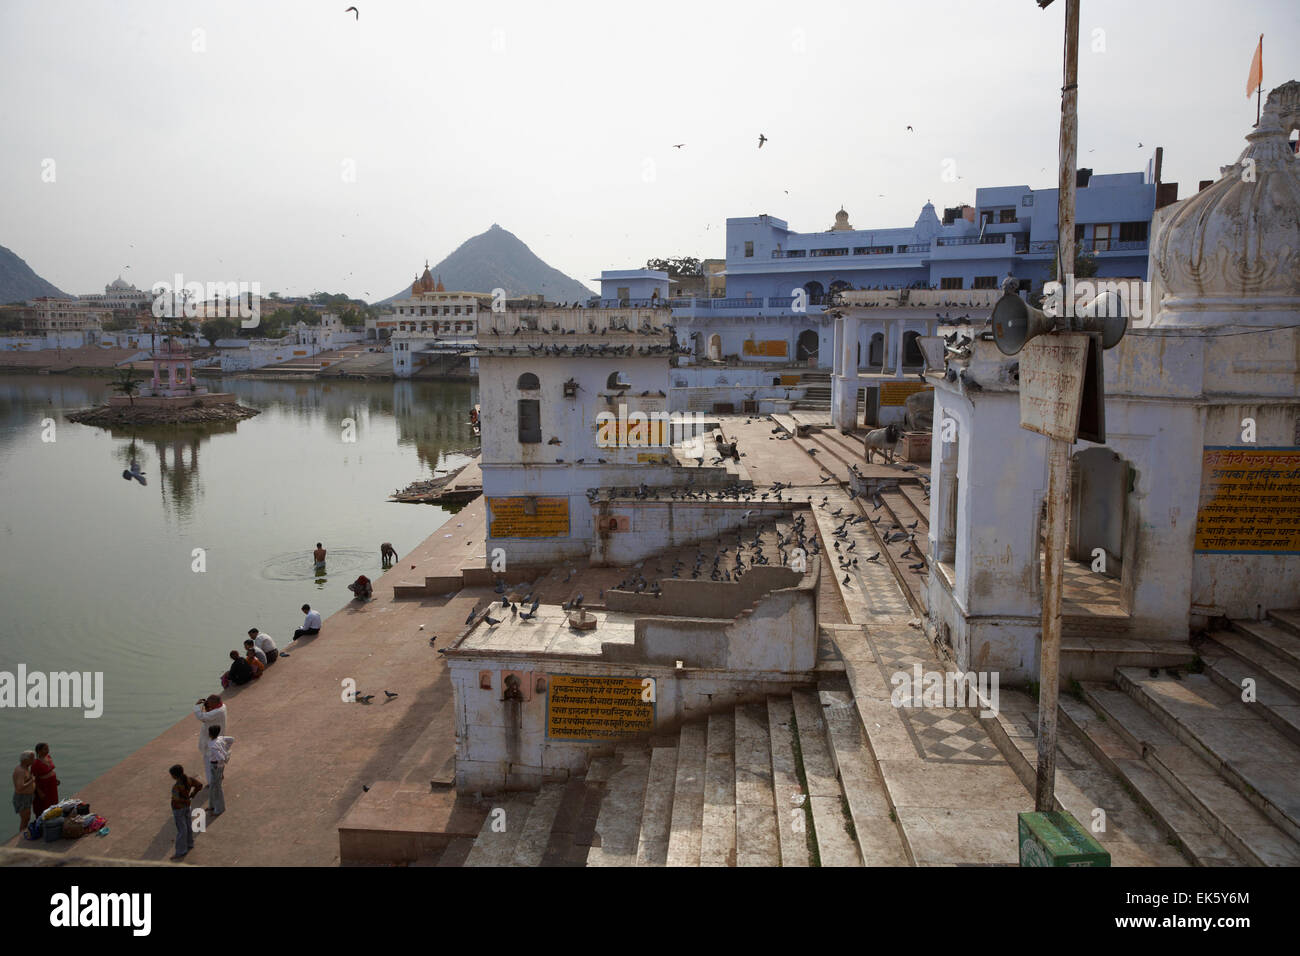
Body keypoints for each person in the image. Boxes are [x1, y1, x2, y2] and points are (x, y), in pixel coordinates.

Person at [169, 764, 203, 860]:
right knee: (188, 825)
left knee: (181, 829)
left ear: (175, 776)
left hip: (178, 808)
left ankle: (180, 851)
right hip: (187, 807)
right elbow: (199, 785)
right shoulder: (189, 779)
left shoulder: (176, 787)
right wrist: (192, 795)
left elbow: (176, 799)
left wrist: (186, 799)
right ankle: (189, 843)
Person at [193, 695, 228, 784]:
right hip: (219, 736)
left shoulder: (217, 712)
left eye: (210, 702)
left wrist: (196, 706)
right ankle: (220, 775)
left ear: (214, 703)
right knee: (218, 761)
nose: (208, 704)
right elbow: (208, 717)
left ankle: (211, 782)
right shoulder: (222, 706)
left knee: (209, 763)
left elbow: (202, 717)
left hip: (211, 740)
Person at [206, 726, 234, 818]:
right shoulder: (220, 738)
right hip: (218, 767)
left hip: (215, 767)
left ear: (210, 734)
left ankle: (219, 809)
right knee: (213, 787)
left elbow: (220, 758)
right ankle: (212, 806)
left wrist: (219, 769)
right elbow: (231, 739)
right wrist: (225, 749)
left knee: (217, 788)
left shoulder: (212, 745)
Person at [30, 743, 58, 818]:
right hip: (44, 787)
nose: (47, 751)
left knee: (53, 802)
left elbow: (51, 771)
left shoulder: (48, 757)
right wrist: (39, 791)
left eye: (48, 749)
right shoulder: (35, 763)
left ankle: (53, 817)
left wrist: (56, 780)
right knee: (44, 804)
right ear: (39, 751)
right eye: (45, 749)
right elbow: (33, 779)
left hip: (52, 785)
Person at [13, 751, 35, 837]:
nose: (34, 760)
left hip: (28, 797)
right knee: (24, 818)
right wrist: (31, 781)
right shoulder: (21, 771)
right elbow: (20, 787)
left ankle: (24, 833)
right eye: (32, 759)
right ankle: (22, 835)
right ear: (25, 760)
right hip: (22, 798)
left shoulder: (26, 768)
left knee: (28, 816)